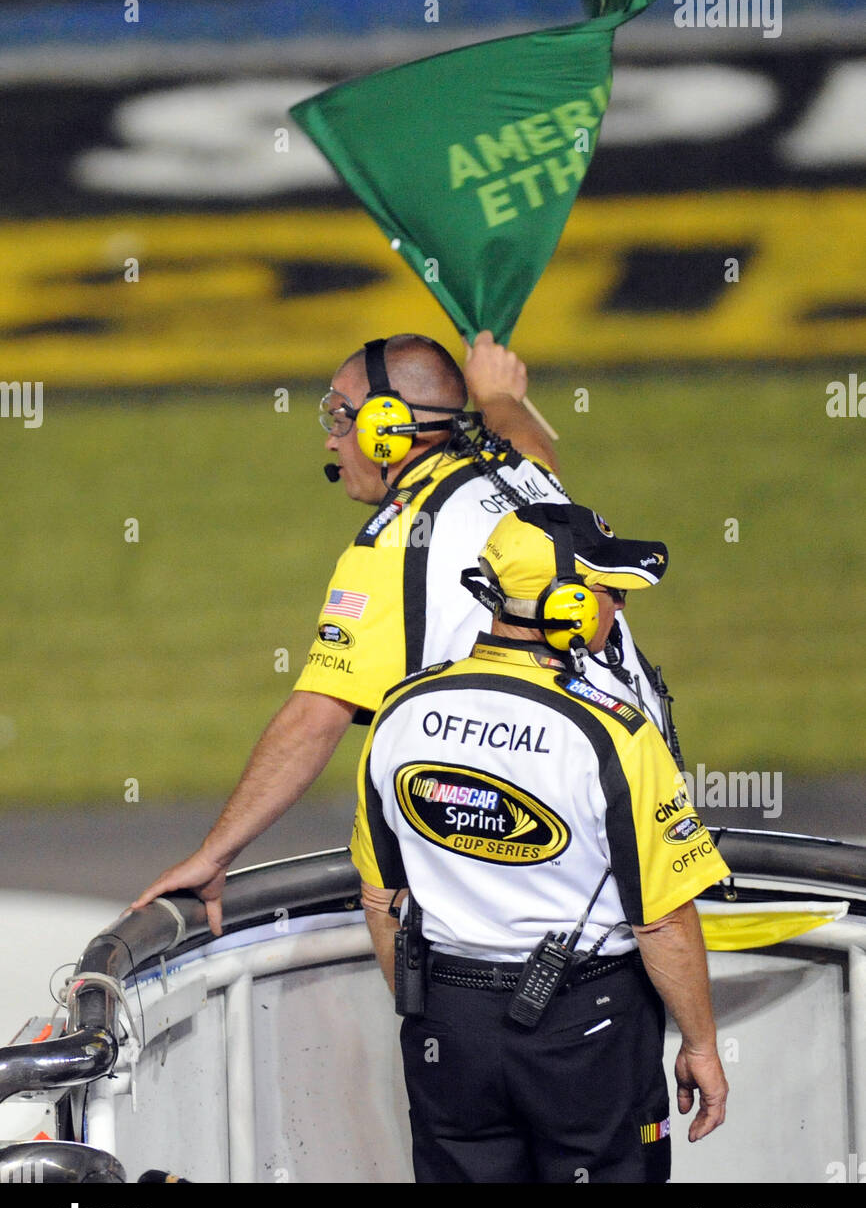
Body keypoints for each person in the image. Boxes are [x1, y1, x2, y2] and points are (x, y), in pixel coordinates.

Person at [131, 331, 666, 934]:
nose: (333, 439)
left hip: (545, 872)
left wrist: (215, 854)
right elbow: (528, 439)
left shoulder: (392, 544)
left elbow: (316, 718)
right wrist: (496, 393)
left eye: (341, 416)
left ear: (387, 426)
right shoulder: (524, 478)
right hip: (646, 813)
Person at [350, 501, 729, 1183]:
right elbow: (664, 918)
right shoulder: (613, 733)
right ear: (568, 609)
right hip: (585, 1029)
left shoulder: (399, 713)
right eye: (610, 594)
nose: (618, 610)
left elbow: (380, 898)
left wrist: (437, 1011)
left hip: (445, 1023)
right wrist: (701, 1042)